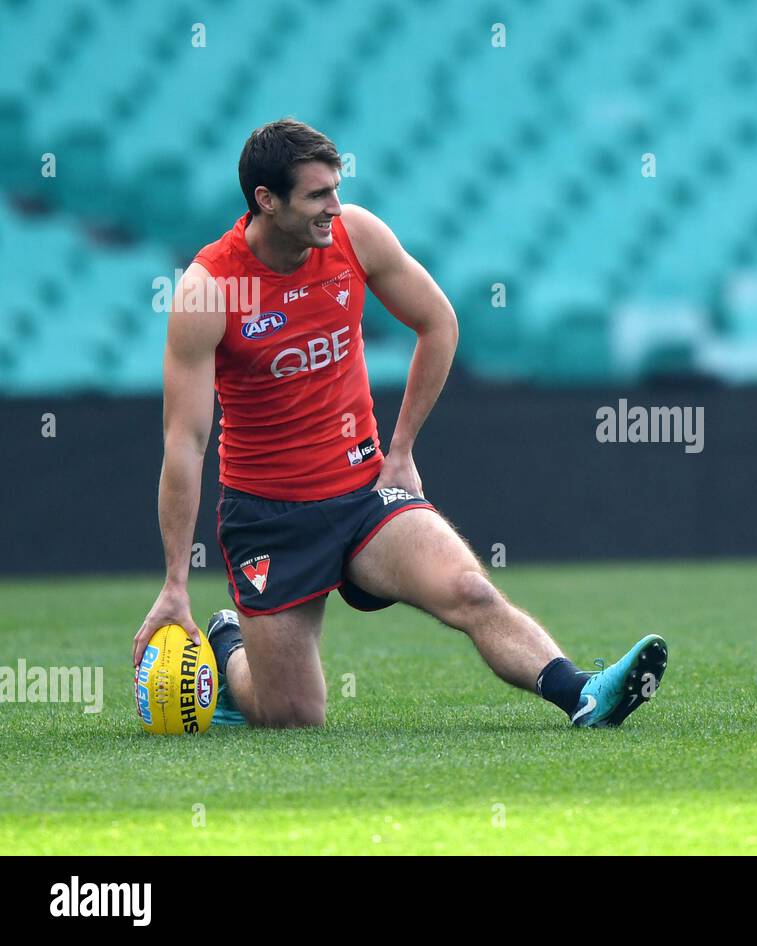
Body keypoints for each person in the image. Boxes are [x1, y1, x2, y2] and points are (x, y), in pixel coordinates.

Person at [132, 119, 667, 729]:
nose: (335, 206)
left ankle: (585, 695)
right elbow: (186, 441)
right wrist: (176, 582)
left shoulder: (355, 236)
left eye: (336, 188)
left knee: (470, 590)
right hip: (269, 520)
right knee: (293, 715)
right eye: (317, 195)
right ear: (266, 201)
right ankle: (229, 649)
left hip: (363, 495)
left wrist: (402, 448)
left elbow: (439, 323)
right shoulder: (208, 290)